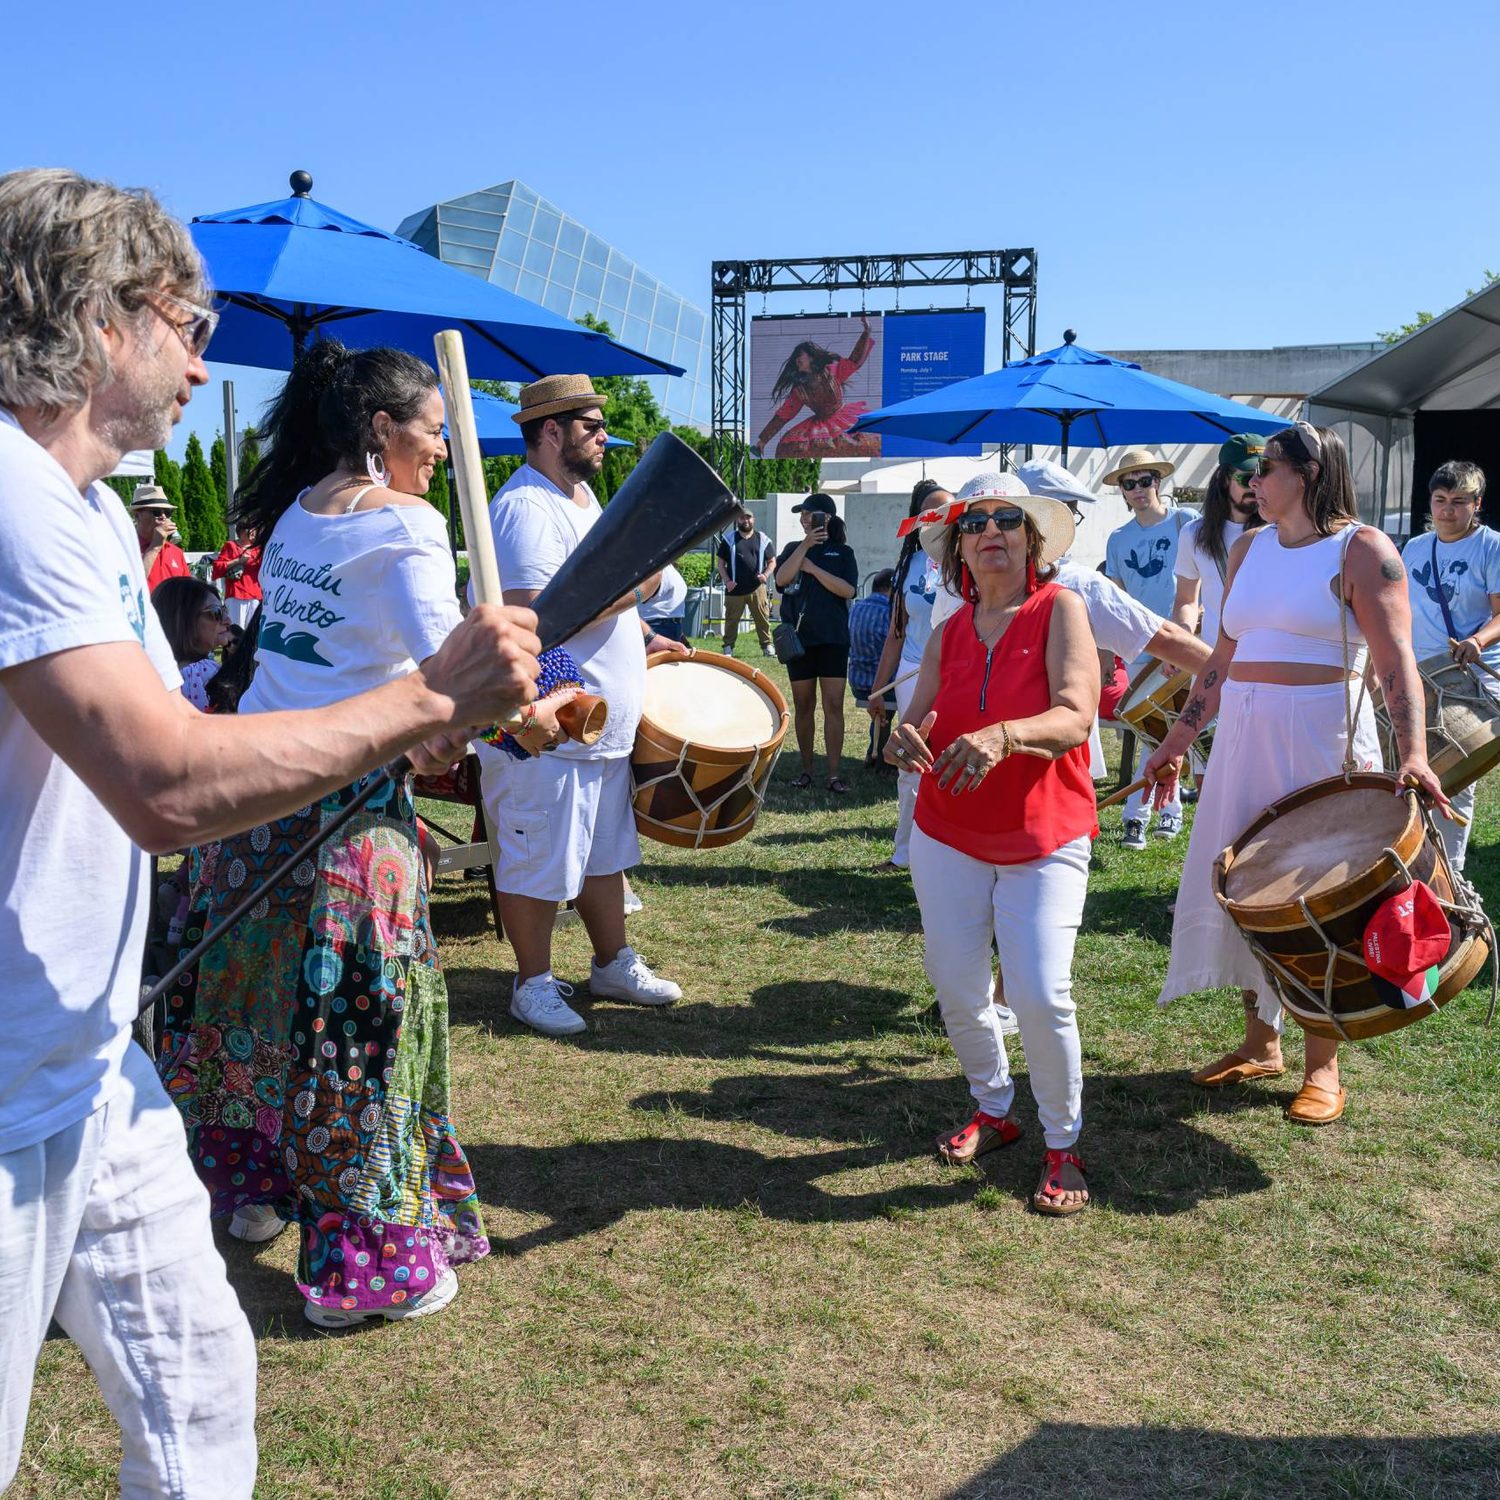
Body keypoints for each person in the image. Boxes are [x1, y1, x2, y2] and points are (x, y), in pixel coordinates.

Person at [0, 168, 538, 1497]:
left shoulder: (80, 512)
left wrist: (399, 719)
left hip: (82, 1059)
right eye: (192, 323)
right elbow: (163, 781)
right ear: (105, 314)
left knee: (200, 1394)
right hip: (5, 1087)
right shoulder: (10, 500)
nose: (205, 359)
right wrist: (427, 699)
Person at [161, 341, 563, 1331]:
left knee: (242, 1015)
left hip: (256, 796)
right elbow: (446, 683)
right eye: (432, 430)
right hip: (344, 820)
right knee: (356, 1043)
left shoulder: (301, 510)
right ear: (384, 432)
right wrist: (531, 712)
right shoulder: (411, 524)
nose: (440, 448)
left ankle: (250, 1194)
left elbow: (350, 665)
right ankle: (363, 1272)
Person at [1145, 422, 1448, 1127]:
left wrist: (1412, 754)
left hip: (1323, 735)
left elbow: (1397, 660)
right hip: (1245, 734)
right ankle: (1259, 1042)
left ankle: (1324, 1066)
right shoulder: (1248, 547)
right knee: (1248, 880)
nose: (1253, 480)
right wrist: (1177, 738)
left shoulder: (1362, 549)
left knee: (1324, 889)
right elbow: (1221, 657)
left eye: (1267, 467)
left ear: (1309, 472)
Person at [884, 473, 1098, 1215]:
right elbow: (917, 719)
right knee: (956, 982)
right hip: (949, 830)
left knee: (1039, 992)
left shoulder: (1060, 609)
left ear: (1032, 542)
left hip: (1045, 832)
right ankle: (995, 1105)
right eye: (976, 525)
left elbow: (1076, 716)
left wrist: (1007, 734)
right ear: (959, 553)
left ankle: (1062, 1141)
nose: (992, 532)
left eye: (1009, 520)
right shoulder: (946, 633)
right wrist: (901, 738)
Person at [477, 373, 689, 1040]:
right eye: (592, 426)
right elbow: (537, 616)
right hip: (551, 721)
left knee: (603, 855)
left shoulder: (581, 498)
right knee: (535, 856)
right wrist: (645, 578)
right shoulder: (526, 509)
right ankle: (531, 983)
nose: (604, 436)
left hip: (598, 730)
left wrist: (648, 636)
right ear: (550, 431)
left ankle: (610, 962)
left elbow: (605, 601)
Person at [1402, 460, 1500, 870]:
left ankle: (1451, 869)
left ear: (1476, 504)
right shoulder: (1415, 546)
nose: (1447, 510)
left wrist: (1478, 640)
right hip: (1421, 674)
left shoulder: (1491, 546)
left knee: (1456, 774)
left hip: (1472, 676)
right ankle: (1414, 857)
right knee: (1412, 772)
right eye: (1440, 500)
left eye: (1459, 502)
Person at [1103, 447, 1195, 847]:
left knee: (1185, 733)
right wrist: (1109, 653)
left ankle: (1157, 813)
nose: (1139, 489)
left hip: (1187, 642)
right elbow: (1116, 599)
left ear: (1159, 482)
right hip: (1139, 644)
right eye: (1130, 483)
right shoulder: (1118, 539)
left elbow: (1203, 582)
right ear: (1122, 490)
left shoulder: (1186, 522)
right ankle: (1149, 814)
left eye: (1146, 480)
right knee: (1153, 733)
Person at [870, 480, 959, 869]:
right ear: (919, 518)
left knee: (953, 759)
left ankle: (952, 851)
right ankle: (905, 851)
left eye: (948, 511)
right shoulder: (909, 563)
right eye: (931, 512)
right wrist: (877, 689)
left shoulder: (967, 557)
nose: (939, 518)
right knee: (912, 765)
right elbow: (896, 632)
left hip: (958, 673)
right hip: (911, 672)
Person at [775, 493, 860, 793]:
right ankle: (807, 770)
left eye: (810, 514)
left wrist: (813, 569)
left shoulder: (843, 553)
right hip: (799, 641)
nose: (804, 519)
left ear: (827, 517)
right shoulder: (791, 549)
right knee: (803, 705)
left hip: (834, 640)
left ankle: (833, 774)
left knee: (834, 705)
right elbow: (782, 579)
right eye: (802, 515)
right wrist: (805, 548)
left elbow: (848, 590)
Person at [1173, 434, 1268, 648]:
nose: (1256, 486)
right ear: (1224, 479)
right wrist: (1183, 637)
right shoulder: (1194, 533)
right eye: (1246, 478)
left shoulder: (1281, 532)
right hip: (1214, 662)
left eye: (1263, 477)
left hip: (1266, 663)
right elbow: (1186, 600)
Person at [753, 315, 881, 459]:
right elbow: (784, 415)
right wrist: (763, 440)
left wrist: (866, 332)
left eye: (800, 356)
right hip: (819, 424)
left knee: (864, 443)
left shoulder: (831, 371)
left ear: (811, 357)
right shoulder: (799, 390)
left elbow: (854, 361)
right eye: (795, 358)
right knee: (789, 447)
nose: (797, 360)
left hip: (843, 417)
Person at [151, 574, 230, 709]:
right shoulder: (204, 673)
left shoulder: (150, 674)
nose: (228, 620)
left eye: (224, 610)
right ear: (184, 622)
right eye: (216, 613)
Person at [849, 567, 895, 765]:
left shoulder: (856, 608)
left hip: (858, 685)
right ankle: (885, 757)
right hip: (882, 688)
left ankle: (874, 751)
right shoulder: (890, 612)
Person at [716, 506, 775, 656]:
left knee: (763, 618)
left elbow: (772, 561)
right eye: (742, 517)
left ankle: (767, 646)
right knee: (731, 620)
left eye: (748, 517)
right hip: (734, 589)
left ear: (753, 520)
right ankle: (728, 647)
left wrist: (766, 575)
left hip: (757, 588)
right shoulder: (728, 540)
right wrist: (727, 581)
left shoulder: (762, 539)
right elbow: (721, 564)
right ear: (737, 520)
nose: (745, 520)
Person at [131, 482, 190, 590]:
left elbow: (187, 591)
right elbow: (132, 585)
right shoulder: (126, 548)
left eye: (167, 512)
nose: (163, 517)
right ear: (137, 516)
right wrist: (155, 547)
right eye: (156, 512)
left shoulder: (176, 552)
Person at [211, 524, 263, 629]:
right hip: (236, 595)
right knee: (236, 630)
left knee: (253, 632)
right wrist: (238, 560)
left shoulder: (258, 549)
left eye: (255, 529)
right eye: (251, 528)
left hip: (255, 596)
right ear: (242, 532)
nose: (254, 531)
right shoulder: (231, 546)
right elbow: (217, 567)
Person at [642, 560, 688, 643]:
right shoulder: (654, 567)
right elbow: (642, 597)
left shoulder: (668, 567)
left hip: (671, 626)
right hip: (655, 626)